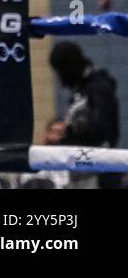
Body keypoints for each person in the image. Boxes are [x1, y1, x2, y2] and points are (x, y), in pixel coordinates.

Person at [50, 40, 121, 188]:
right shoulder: (78, 92)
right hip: (81, 166)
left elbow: (102, 132)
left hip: (98, 169)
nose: (60, 79)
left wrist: (69, 135)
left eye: (60, 72)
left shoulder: (98, 89)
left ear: (68, 68)